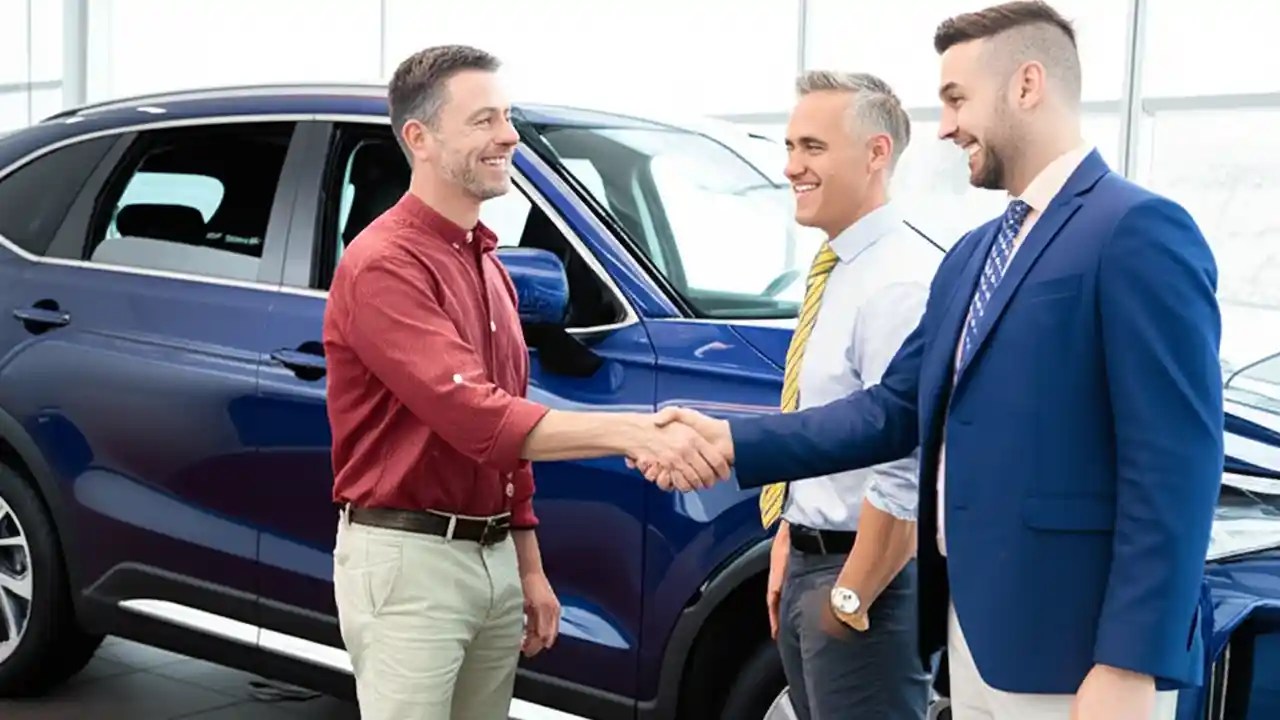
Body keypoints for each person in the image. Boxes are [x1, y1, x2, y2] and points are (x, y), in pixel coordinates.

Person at [643, 3, 1223, 719]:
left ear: (1026, 85)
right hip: (973, 639)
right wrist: (731, 440)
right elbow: (892, 410)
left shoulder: (1136, 228)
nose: (945, 127)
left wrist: (1133, 660)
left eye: (956, 99)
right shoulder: (975, 252)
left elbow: (1175, 463)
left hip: (1078, 656)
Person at [323, 44, 729, 720]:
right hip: (411, 564)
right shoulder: (384, 265)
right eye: (484, 120)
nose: (508, 135)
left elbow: (508, 436)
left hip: (490, 557)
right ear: (419, 139)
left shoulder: (488, 265)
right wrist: (637, 432)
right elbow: (478, 419)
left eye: (506, 117)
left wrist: (527, 570)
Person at [763, 70, 938, 720]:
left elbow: (905, 464)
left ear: (875, 154)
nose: (790, 168)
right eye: (788, 147)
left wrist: (851, 596)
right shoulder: (838, 268)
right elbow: (822, 423)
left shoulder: (898, 283)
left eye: (812, 147)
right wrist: (790, 534)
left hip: (866, 582)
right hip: (815, 562)